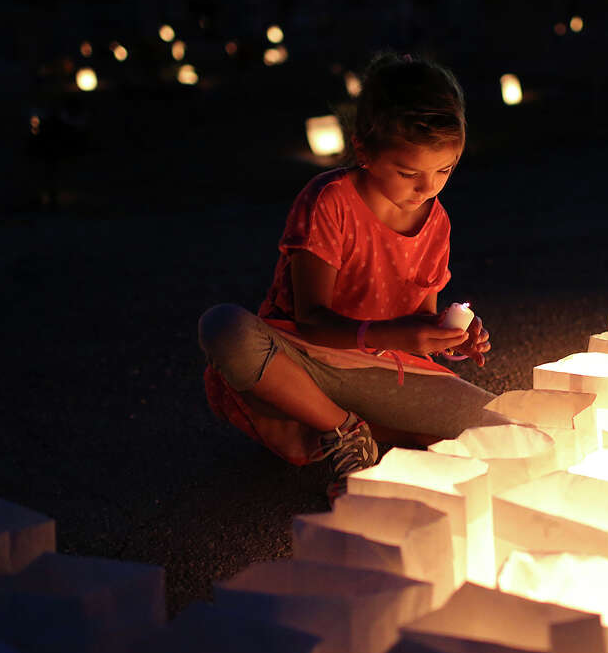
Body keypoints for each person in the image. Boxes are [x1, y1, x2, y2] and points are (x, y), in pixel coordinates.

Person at [198, 53, 495, 500]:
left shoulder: (436, 222)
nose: (426, 187)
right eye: (408, 172)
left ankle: (345, 422)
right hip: (304, 359)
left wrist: (452, 338)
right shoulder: (329, 201)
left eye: (444, 170)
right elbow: (311, 318)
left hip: (380, 371)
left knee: (495, 427)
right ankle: (343, 429)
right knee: (224, 327)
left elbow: (420, 327)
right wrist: (396, 335)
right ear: (365, 151)